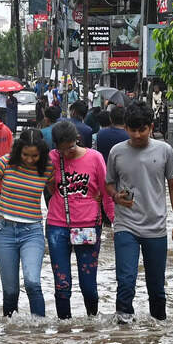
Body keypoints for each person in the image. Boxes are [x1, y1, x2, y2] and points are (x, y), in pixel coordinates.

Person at [104, 101, 173, 323]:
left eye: (142, 129)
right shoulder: (116, 152)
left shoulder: (165, 151)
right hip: (125, 225)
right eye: (132, 130)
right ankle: (124, 334)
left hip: (155, 226)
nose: (138, 135)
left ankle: (157, 333)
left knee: (157, 288)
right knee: (126, 282)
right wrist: (115, 196)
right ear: (125, 128)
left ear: (151, 127)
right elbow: (109, 183)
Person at [0, 129, 54, 317]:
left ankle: (40, 332)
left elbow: (55, 196)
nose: (29, 160)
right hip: (5, 232)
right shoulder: (5, 163)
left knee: (32, 283)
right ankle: (10, 333)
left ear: (42, 153)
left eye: (35, 156)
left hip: (32, 232)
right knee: (11, 291)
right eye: (25, 155)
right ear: (19, 149)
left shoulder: (47, 168)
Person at [46, 120, 115, 319]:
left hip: (88, 226)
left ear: (77, 139)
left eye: (70, 147)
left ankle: (92, 325)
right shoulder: (51, 158)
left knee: (89, 286)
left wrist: (114, 221)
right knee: (62, 285)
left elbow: (106, 192)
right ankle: (64, 328)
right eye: (62, 150)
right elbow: (49, 189)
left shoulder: (95, 158)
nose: (67, 153)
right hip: (57, 226)